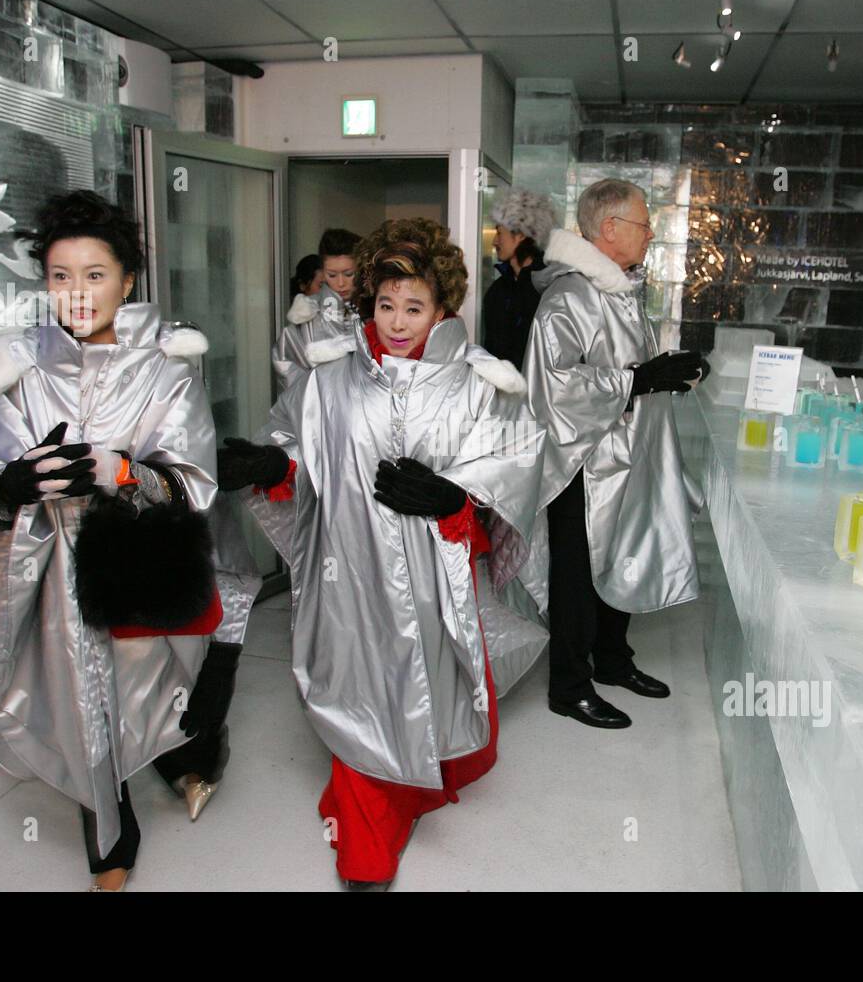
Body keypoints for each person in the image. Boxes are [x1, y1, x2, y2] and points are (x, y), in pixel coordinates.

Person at [223, 218, 546, 889]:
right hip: (347, 569)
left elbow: (512, 462)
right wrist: (273, 465)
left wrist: (454, 496)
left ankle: (413, 782)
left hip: (431, 577)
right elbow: (300, 448)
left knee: (425, 676)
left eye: (414, 307)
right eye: (385, 304)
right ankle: (366, 841)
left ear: (442, 307)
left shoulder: (475, 383)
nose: (397, 322)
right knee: (358, 686)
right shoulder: (331, 378)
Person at [0, 191, 220, 892]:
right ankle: (110, 832)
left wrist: (119, 472)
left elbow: (192, 485)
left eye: (95, 274)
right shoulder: (19, 373)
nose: (77, 292)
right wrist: (10, 487)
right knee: (77, 703)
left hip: (131, 566)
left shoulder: (165, 372)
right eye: (60, 276)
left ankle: (180, 759)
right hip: (43, 576)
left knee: (148, 694)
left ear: (127, 280)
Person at [525, 178, 708, 730]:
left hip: (628, 456)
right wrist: (638, 380)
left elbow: (626, 367)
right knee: (578, 577)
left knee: (622, 554)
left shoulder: (618, 290)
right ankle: (569, 685)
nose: (651, 234)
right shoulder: (569, 297)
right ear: (609, 228)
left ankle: (612, 659)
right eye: (644, 224)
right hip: (582, 465)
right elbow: (552, 384)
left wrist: (668, 375)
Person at [272, 227, 363, 389]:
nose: (340, 283)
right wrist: (314, 395)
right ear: (323, 272)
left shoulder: (380, 309)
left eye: (349, 274)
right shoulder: (306, 315)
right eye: (332, 275)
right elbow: (284, 364)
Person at [482, 187, 555, 370]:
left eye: (500, 233)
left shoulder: (548, 287)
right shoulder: (498, 290)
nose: (495, 241)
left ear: (520, 234)